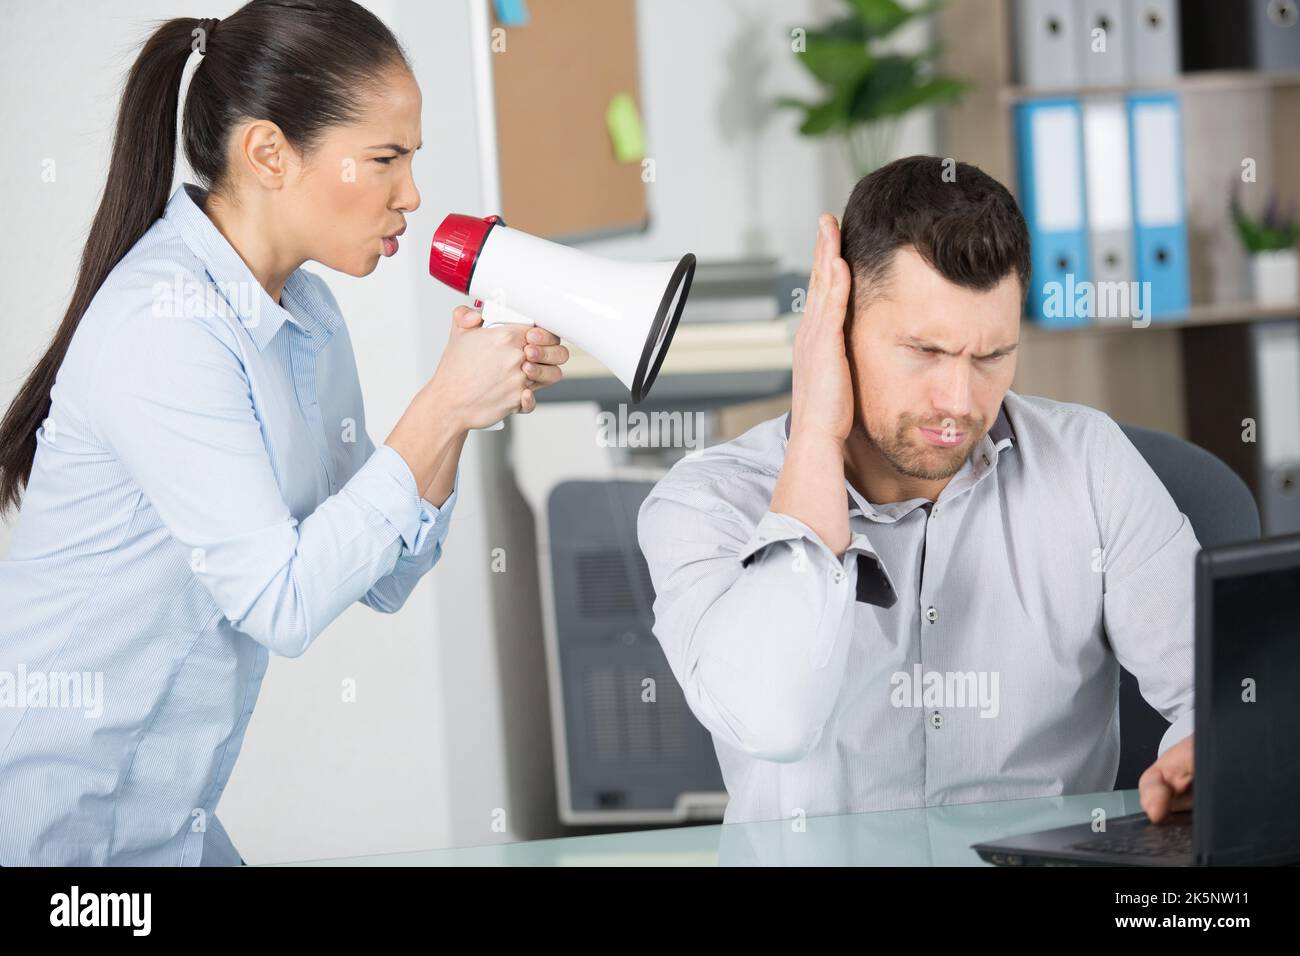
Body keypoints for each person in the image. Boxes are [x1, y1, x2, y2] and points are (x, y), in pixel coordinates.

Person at [0, 0, 568, 865]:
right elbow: (281, 602)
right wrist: (441, 407)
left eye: (411, 161)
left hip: (167, 820)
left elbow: (385, 572)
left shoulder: (304, 311)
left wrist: (458, 410)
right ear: (268, 152)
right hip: (51, 826)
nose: (410, 195)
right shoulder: (165, 327)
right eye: (384, 160)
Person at [637, 155, 1196, 830]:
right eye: (924, 352)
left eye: (991, 357)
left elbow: (1225, 691)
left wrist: (1204, 751)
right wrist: (816, 431)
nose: (958, 403)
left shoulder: (1089, 463)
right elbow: (772, 720)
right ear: (834, 324)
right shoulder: (706, 504)